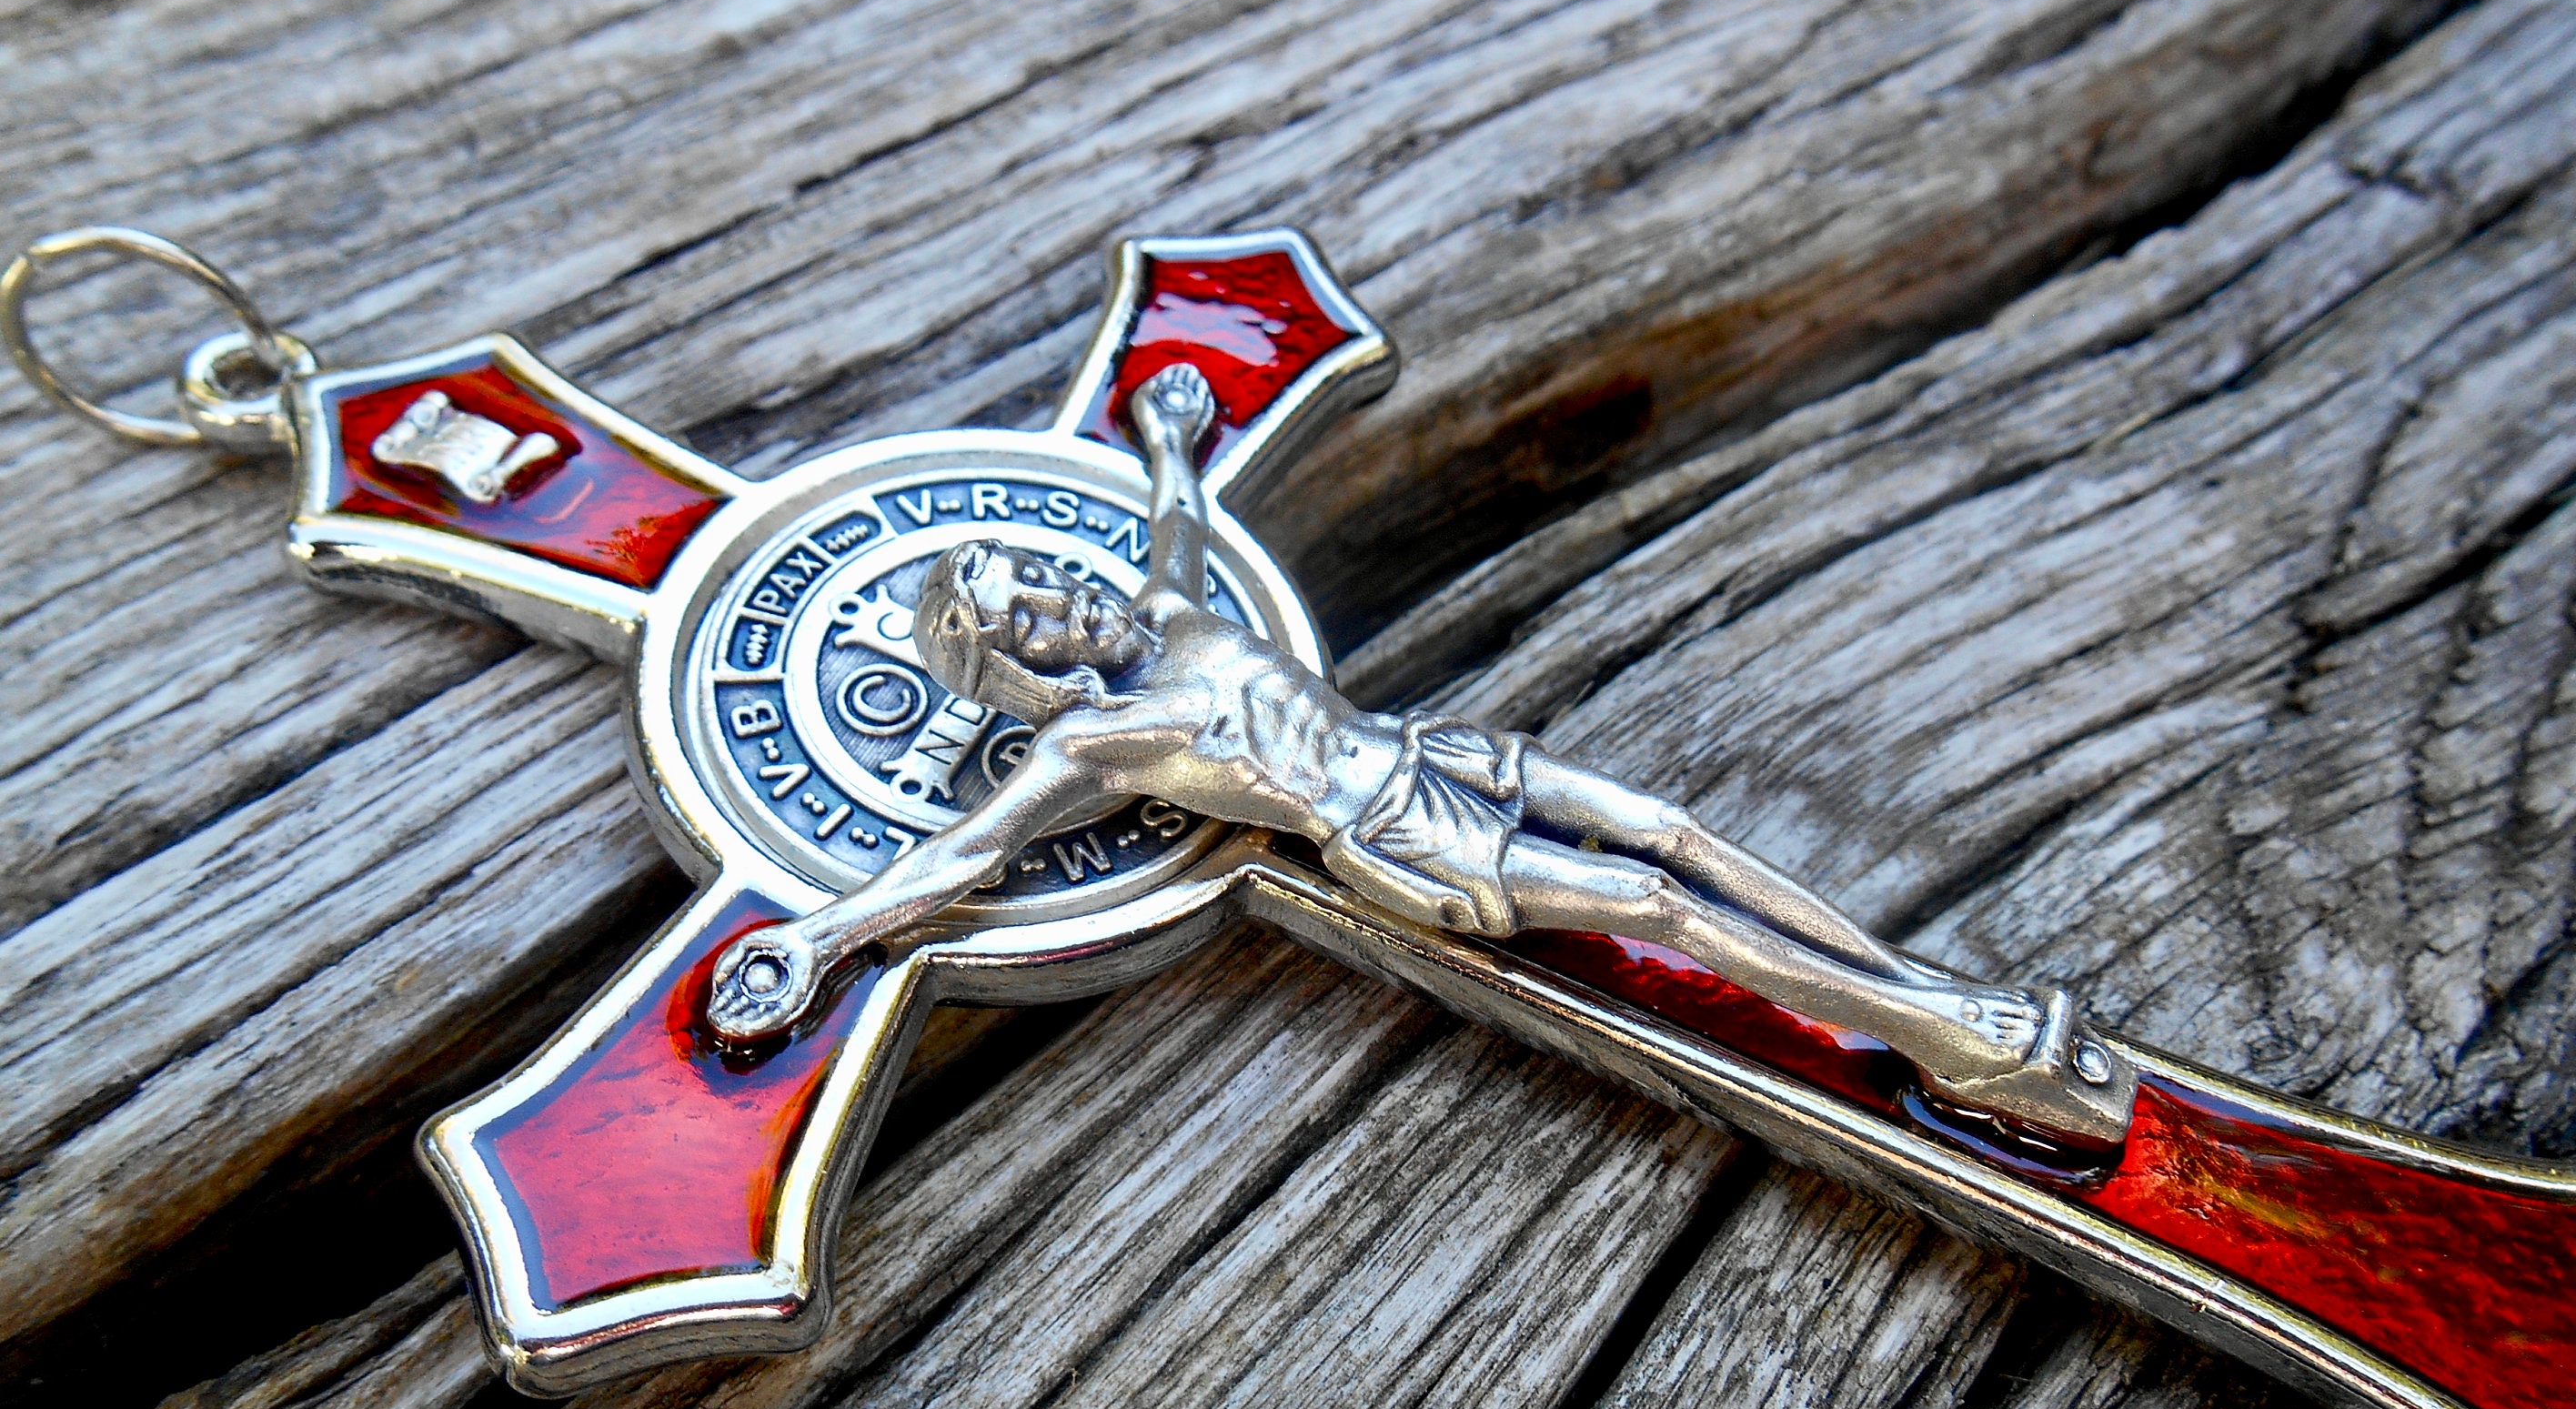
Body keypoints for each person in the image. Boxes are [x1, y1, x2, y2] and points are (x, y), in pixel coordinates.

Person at [707, 364, 2135, 1148]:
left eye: (1038, 569)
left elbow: (1178, 526)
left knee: (1678, 835)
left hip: (1441, 750)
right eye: (1031, 614)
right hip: (1398, 837)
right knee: (1657, 911)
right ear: (1026, 667)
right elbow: (966, 855)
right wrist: (825, 939)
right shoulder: (1098, 738)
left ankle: (1940, 997)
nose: (1058, 593)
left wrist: (1168, 440)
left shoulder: (1161, 613)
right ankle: (1951, 1046)